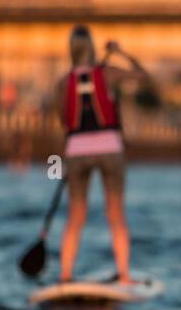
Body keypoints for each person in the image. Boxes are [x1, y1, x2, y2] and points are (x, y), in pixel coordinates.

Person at [55, 27, 150, 284]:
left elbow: (65, 121)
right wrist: (120, 52)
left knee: (75, 217)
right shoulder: (108, 73)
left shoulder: (64, 82)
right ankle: (125, 275)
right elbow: (143, 76)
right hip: (110, 149)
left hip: (76, 151)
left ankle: (65, 275)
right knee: (116, 214)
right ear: (92, 48)